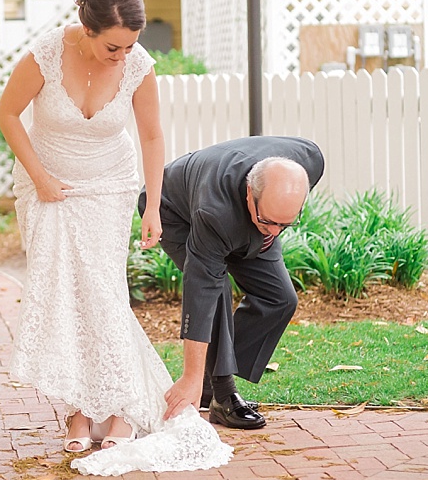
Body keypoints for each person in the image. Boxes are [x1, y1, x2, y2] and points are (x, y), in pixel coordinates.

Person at [0, 0, 232, 476]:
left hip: (108, 185)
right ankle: (81, 410)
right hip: (45, 185)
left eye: (130, 45)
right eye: (113, 46)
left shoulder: (138, 66)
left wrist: (151, 207)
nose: (123, 55)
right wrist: (40, 177)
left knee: (103, 293)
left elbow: (151, 135)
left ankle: (122, 407)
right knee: (63, 294)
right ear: (86, 29)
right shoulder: (46, 53)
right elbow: (8, 114)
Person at [138, 136, 325, 430]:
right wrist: (190, 375)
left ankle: (212, 382)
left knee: (280, 299)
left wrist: (268, 225)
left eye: (285, 225)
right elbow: (202, 291)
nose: (276, 232)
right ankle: (223, 394)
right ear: (250, 194)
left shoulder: (310, 159)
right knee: (217, 291)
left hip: (241, 217)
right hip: (173, 209)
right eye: (269, 222)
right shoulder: (215, 212)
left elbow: (273, 221)